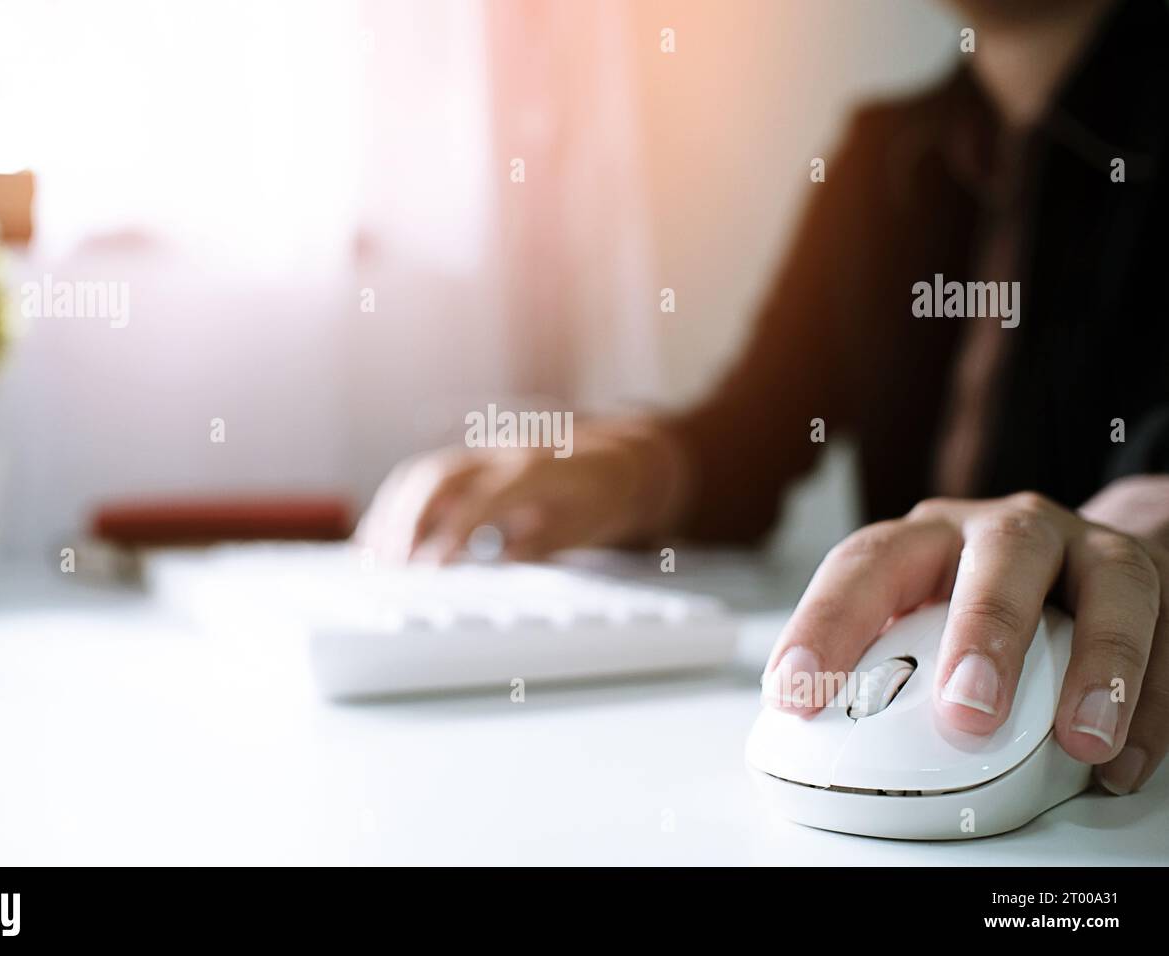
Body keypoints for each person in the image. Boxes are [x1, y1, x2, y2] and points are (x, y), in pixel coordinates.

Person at [357, 0, 1169, 797]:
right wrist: (632, 467)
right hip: (903, 698)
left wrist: (1144, 531)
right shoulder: (881, 159)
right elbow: (757, 434)